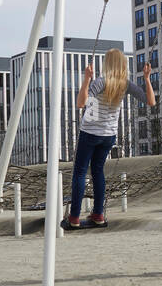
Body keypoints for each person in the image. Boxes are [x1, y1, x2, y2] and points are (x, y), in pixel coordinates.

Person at [63, 48, 154, 230]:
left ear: (107, 64)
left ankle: (74, 217)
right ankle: (98, 214)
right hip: (108, 136)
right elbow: (150, 101)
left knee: (80, 173)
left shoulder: (100, 82)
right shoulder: (125, 84)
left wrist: (86, 79)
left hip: (90, 133)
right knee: (98, 172)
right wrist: (147, 78)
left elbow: (81, 103)